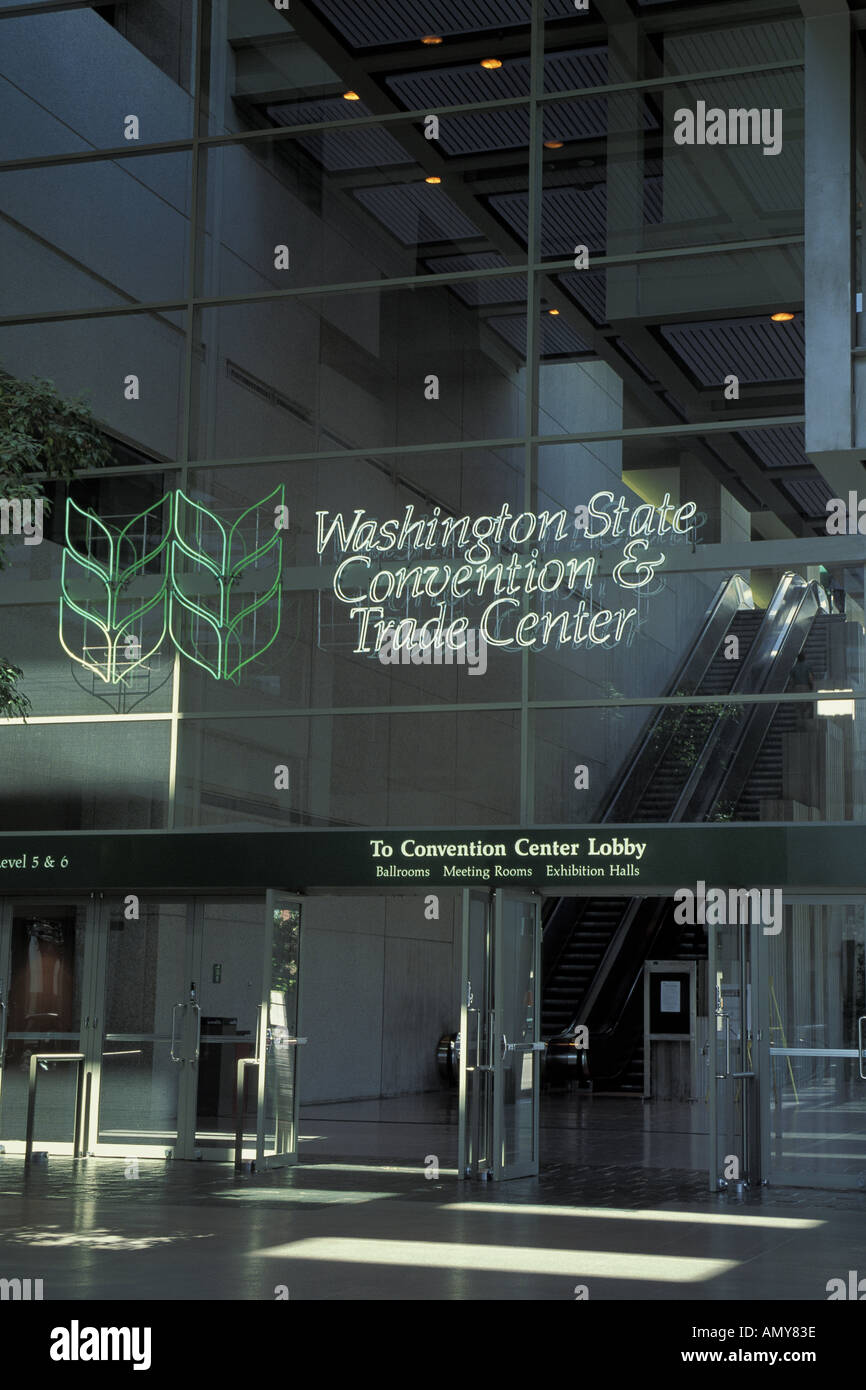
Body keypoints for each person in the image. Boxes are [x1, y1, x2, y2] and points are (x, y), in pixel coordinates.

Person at [789, 650, 815, 728]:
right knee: (807, 705)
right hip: (805, 687)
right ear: (804, 658)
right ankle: (806, 724)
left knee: (798, 707)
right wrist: (812, 686)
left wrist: (791, 690)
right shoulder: (808, 666)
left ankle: (799, 725)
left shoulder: (794, 668)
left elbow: (792, 681)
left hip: (796, 688)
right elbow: (810, 677)